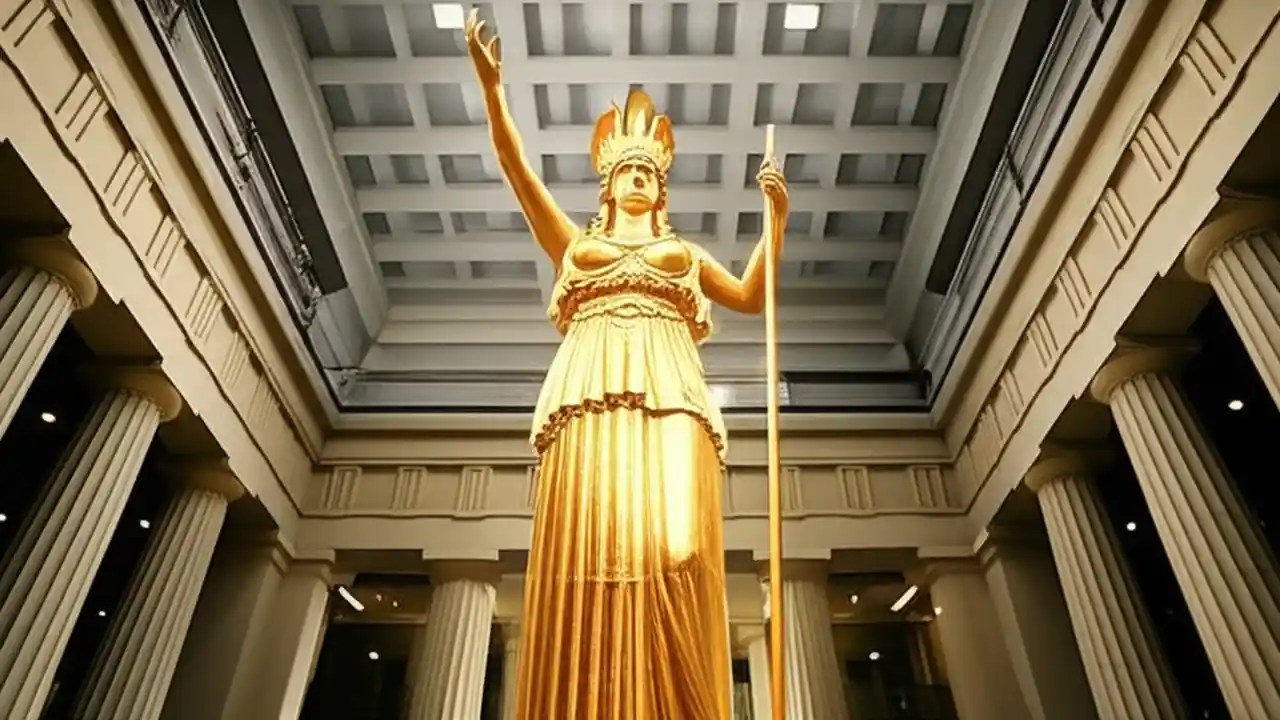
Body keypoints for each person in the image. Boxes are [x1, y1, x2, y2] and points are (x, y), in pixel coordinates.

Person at [464, 10, 788, 718]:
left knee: (681, 550)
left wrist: (776, 223)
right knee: (587, 557)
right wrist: (493, 93)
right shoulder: (576, 246)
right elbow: (517, 171)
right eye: (627, 170)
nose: (637, 178)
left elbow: (751, 294)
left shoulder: (686, 256)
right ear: (607, 184)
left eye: (648, 170)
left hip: (673, 389)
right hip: (587, 393)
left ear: (660, 187)